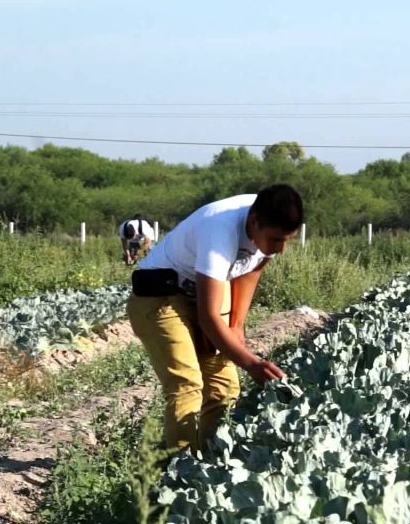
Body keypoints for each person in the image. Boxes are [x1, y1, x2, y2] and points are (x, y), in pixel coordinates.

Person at [128, 185, 302, 450]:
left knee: (223, 386)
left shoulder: (266, 221)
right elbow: (208, 317)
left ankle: (210, 465)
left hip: (204, 288)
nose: (281, 248)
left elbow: (251, 270)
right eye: (276, 239)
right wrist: (251, 363)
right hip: (160, 296)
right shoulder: (220, 230)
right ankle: (178, 473)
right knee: (186, 383)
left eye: (288, 239)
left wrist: (237, 325)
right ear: (254, 222)